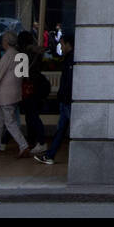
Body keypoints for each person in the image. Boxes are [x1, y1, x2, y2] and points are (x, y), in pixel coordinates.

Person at [0, 31, 31, 158]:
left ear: (7, 42)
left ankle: (23, 146)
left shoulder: (7, 56)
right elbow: (23, 76)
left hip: (5, 95)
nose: (2, 42)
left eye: (3, 40)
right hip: (15, 94)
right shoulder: (20, 55)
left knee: (9, 122)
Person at [35, 35, 73, 165]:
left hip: (67, 99)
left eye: (62, 44)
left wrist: (64, 96)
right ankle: (50, 155)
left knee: (64, 128)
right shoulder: (69, 59)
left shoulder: (71, 59)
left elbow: (69, 81)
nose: (61, 47)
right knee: (61, 129)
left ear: (69, 44)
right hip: (66, 99)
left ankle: (50, 155)